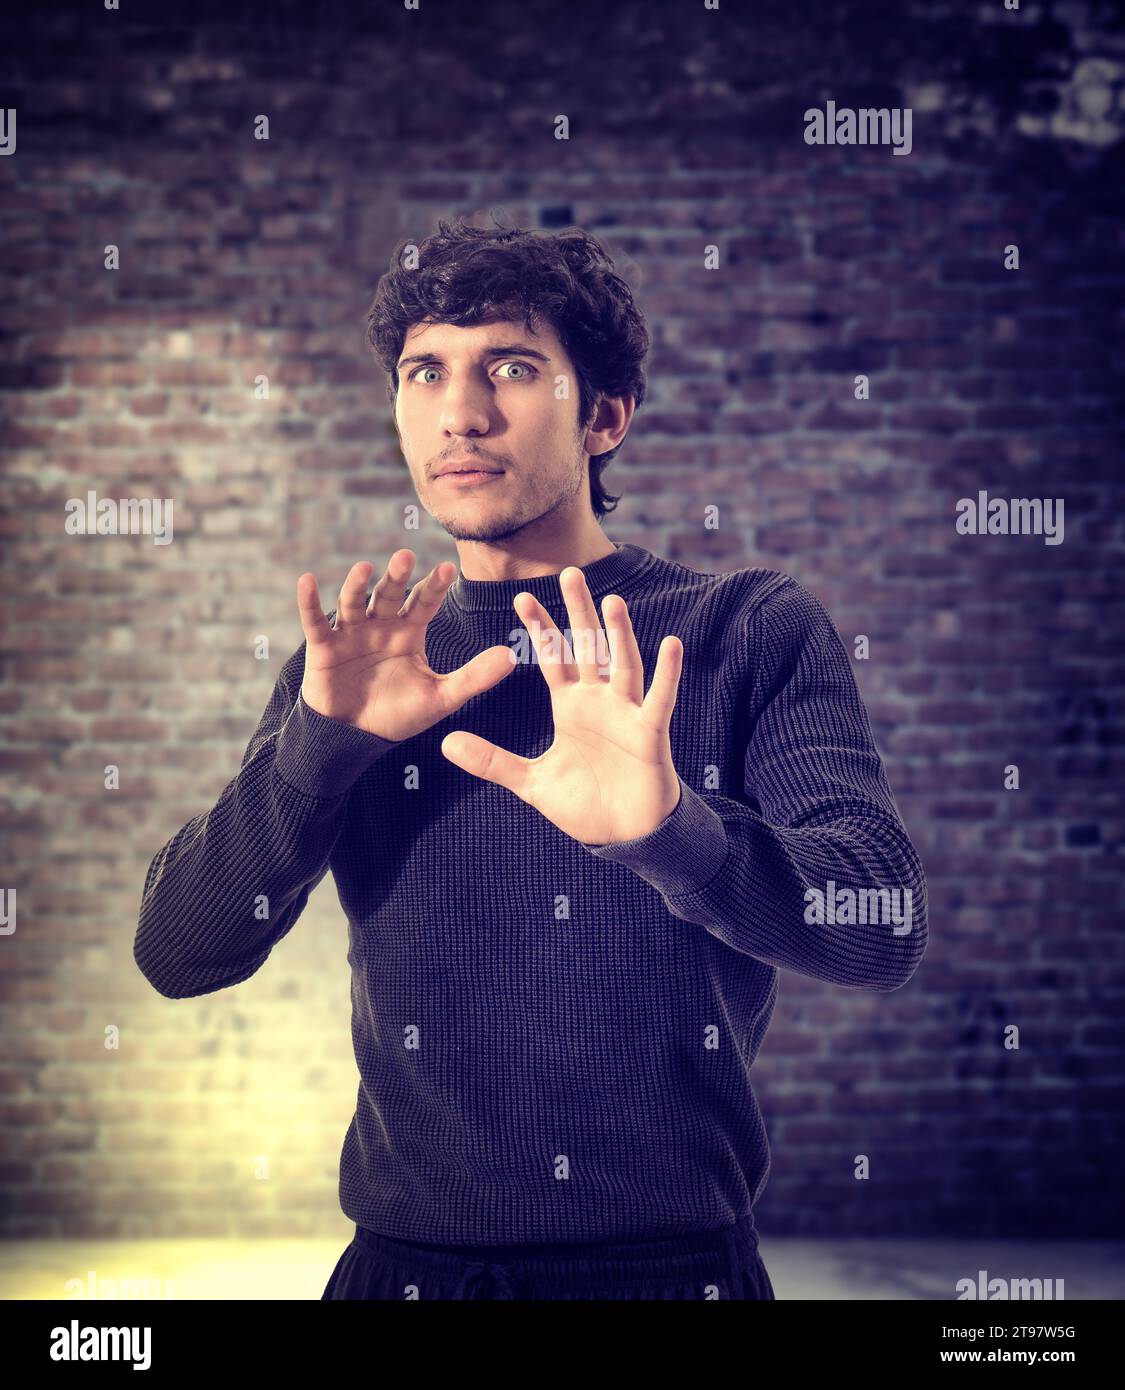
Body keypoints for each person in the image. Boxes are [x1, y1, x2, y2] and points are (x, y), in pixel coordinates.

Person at [135, 216, 927, 1300]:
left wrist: (674, 834)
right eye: (425, 373)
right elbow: (180, 953)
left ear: (604, 414)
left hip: (670, 1273)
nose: (460, 413)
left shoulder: (749, 627)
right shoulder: (363, 666)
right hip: (401, 1274)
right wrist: (315, 756)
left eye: (511, 367)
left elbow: (880, 926)